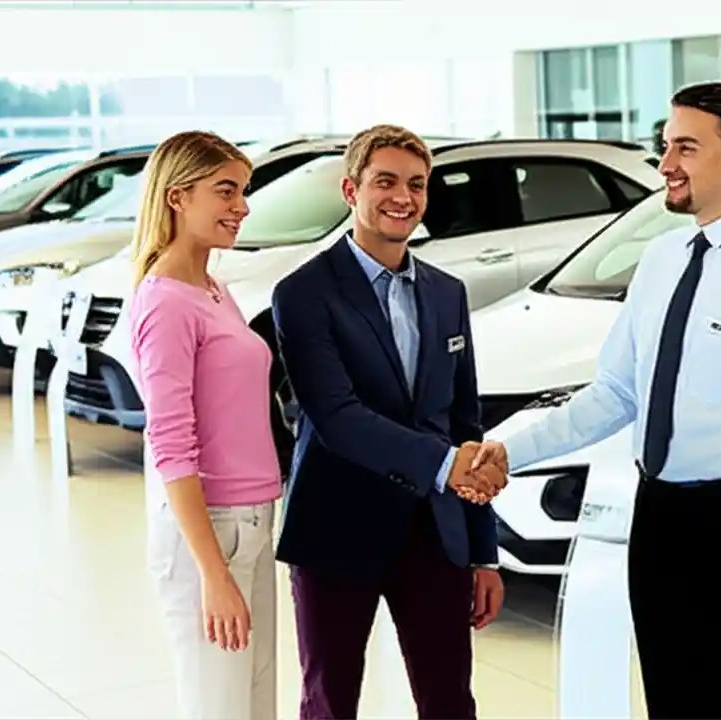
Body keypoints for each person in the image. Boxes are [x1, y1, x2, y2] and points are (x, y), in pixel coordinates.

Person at [472, 82, 721, 718]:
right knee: (671, 695)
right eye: (664, 145)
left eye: (685, 147)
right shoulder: (660, 260)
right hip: (659, 520)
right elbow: (617, 392)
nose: (665, 164)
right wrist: (509, 448)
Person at [270, 123, 508, 720]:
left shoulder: (447, 292)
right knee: (331, 701)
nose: (403, 197)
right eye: (386, 182)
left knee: (449, 699)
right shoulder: (302, 292)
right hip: (336, 526)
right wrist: (443, 464)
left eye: (417, 184)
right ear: (351, 190)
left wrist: (484, 554)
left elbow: (464, 420)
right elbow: (336, 417)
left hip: (435, 531)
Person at [127, 131, 281, 720]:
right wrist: (213, 574)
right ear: (177, 197)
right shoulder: (165, 301)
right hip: (210, 536)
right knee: (219, 708)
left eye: (242, 191)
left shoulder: (212, 287)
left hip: (250, 522)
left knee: (254, 704)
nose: (241, 206)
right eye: (226, 191)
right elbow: (170, 445)